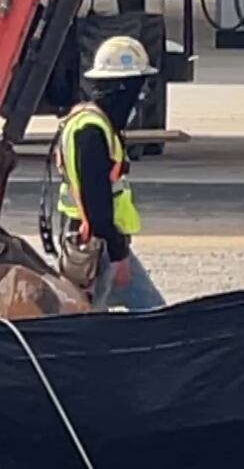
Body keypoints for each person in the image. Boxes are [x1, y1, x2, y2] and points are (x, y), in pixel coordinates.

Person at [52, 34, 167, 312]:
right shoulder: (91, 131)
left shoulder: (86, 120)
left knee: (90, 315)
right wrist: (118, 255)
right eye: (138, 89)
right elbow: (96, 202)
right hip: (97, 242)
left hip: (87, 239)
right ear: (122, 87)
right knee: (152, 312)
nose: (141, 97)